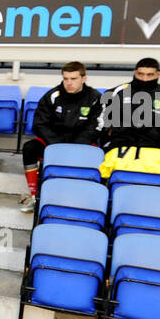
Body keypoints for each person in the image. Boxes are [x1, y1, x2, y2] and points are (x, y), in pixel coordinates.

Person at [19, 61, 103, 211]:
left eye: (73, 79)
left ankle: (84, 199)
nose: (69, 83)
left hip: (82, 144)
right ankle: (34, 197)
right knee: (30, 148)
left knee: (99, 155)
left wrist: (75, 146)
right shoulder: (52, 95)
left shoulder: (95, 97)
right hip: (54, 143)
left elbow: (97, 125)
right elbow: (39, 124)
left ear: (84, 79)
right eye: (66, 78)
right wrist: (57, 145)